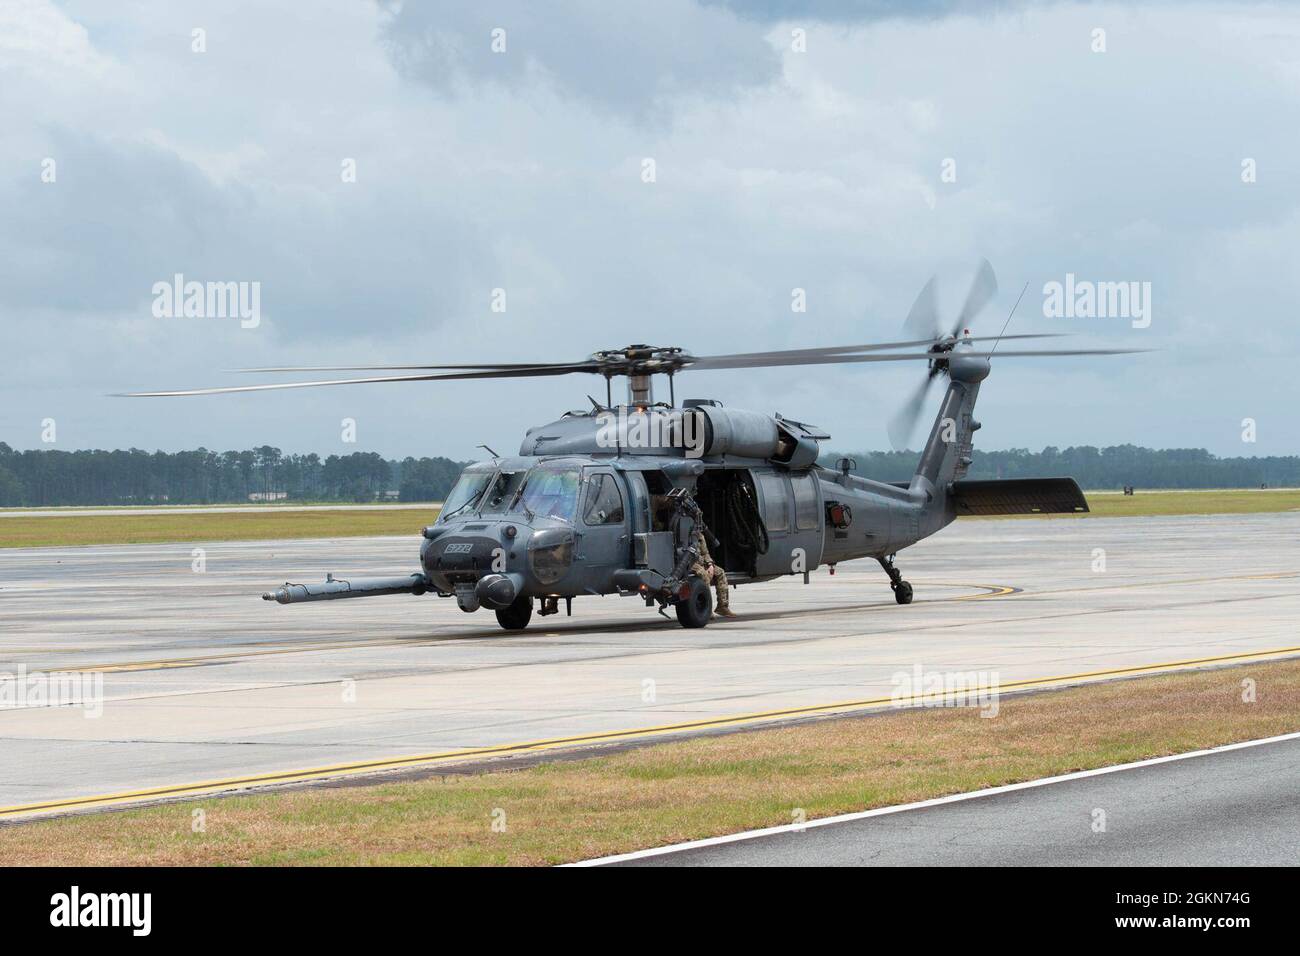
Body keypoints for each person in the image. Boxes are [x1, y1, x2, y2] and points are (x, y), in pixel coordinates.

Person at [691, 519, 734, 618]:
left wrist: (710, 564)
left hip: (701, 562)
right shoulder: (681, 534)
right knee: (704, 575)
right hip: (689, 564)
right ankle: (707, 608)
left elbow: (705, 553)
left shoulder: (699, 535)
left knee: (720, 572)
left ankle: (722, 607)